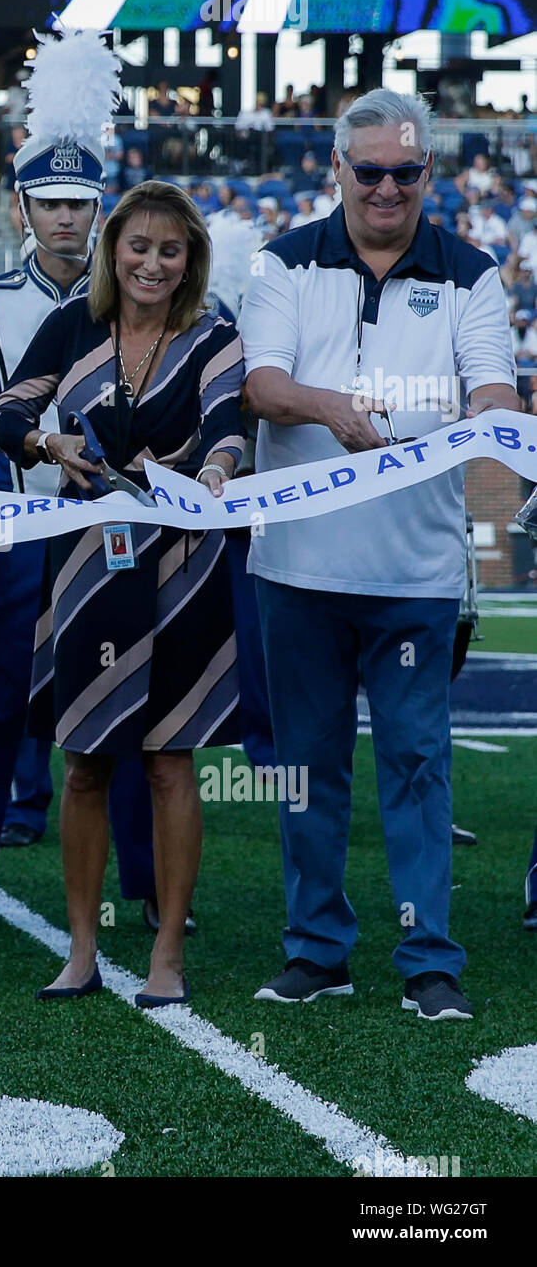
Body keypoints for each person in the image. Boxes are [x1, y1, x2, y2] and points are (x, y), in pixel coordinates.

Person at [240, 88, 520, 1020]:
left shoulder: (475, 273)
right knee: (304, 770)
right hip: (300, 568)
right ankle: (318, 948)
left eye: (406, 171)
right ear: (337, 171)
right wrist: (332, 409)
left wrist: (483, 420)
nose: (388, 188)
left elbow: (497, 394)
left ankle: (428, 956)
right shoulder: (281, 261)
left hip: (417, 574)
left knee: (418, 768)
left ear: (429, 172)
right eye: (371, 171)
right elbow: (263, 385)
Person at [0, 180, 245, 1005]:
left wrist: (214, 469)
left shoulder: (215, 335)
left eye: (171, 250)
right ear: (113, 251)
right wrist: (43, 439)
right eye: (139, 246)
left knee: (171, 762)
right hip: (88, 559)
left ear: (190, 260)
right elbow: (5, 410)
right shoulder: (71, 326)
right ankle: (82, 950)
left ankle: (168, 951)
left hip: (181, 563)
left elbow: (229, 423)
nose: (153, 262)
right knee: (85, 765)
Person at [0, 28, 127, 934]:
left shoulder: (133, 306)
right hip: (11, 540)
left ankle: (146, 889)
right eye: (48, 201)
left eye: (78, 203)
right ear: (22, 206)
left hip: (103, 537)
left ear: (101, 210)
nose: (63, 217)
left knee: (120, 716)